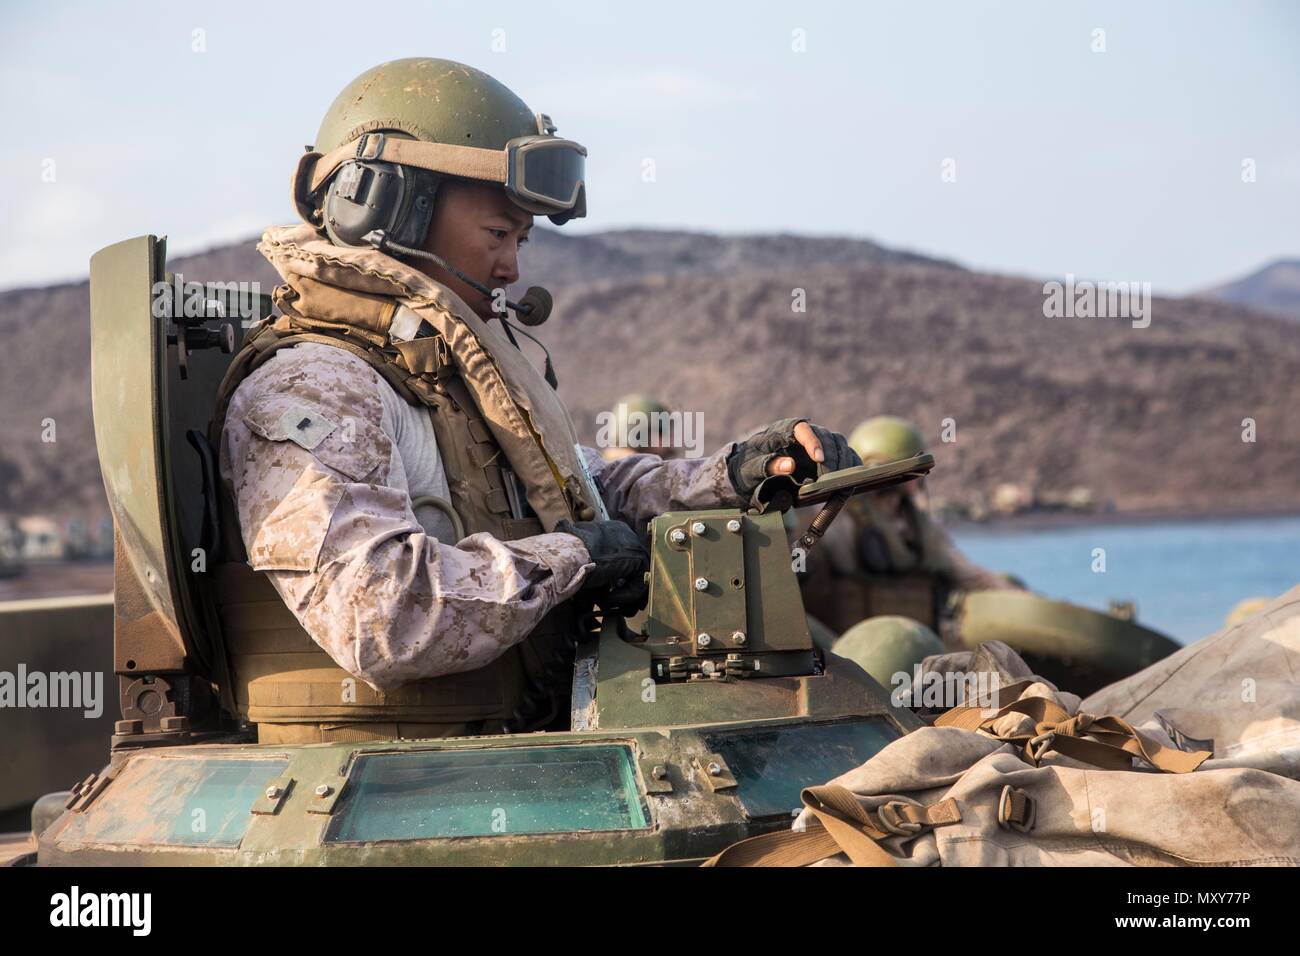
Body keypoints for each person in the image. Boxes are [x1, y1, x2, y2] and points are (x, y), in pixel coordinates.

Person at [212, 58, 859, 743]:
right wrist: (571, 559)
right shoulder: (315, 384)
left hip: (509, 754)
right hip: (394, 789)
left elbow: (585, 485)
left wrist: (734, 472)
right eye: (499, 234)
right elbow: (380, 619)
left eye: (520, 240)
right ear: (390, 207)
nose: (512, 268)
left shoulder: (448, 375)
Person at [796, 416, 1019, 640]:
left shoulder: (921, 528)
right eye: (912, 471)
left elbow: (969, 576)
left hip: (917, 652)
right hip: (855, 657)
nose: (917, 482)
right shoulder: (835, 525)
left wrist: (1019, 598)